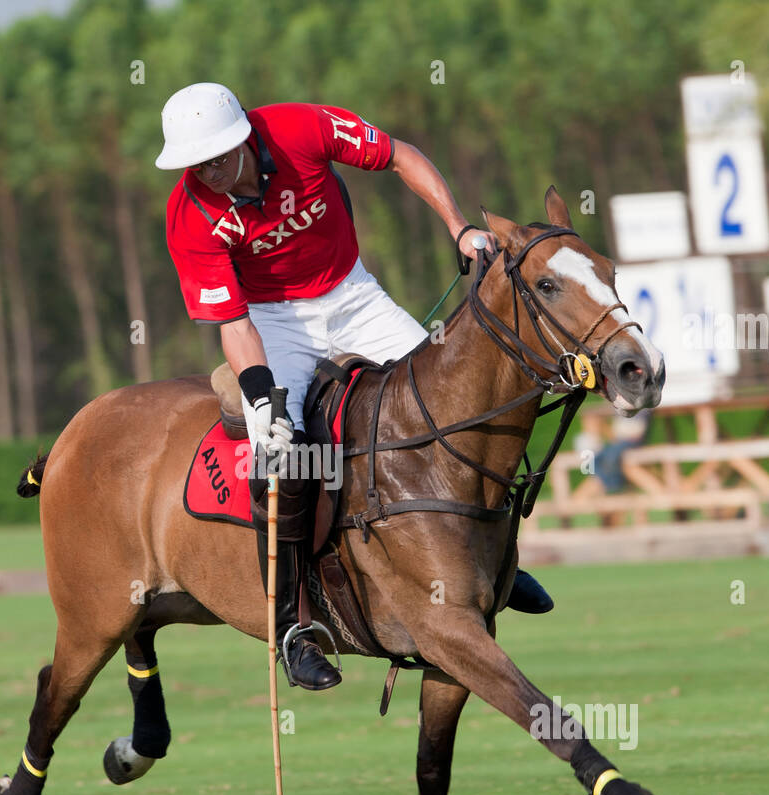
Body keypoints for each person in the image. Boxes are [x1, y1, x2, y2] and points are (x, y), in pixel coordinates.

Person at [156, 82, 554, 693]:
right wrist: (263, 398)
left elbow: (399, 156)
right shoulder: (189, 216)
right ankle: (293, 626)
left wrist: (458, 228)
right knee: (282, 456)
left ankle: (498, 563)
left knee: (451, 402)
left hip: (350, 294)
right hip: (272, 321)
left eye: (213, 157)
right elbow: (232, 322)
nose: (204, 172)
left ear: (242, 138)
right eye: (192, 163)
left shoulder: (299, 129)